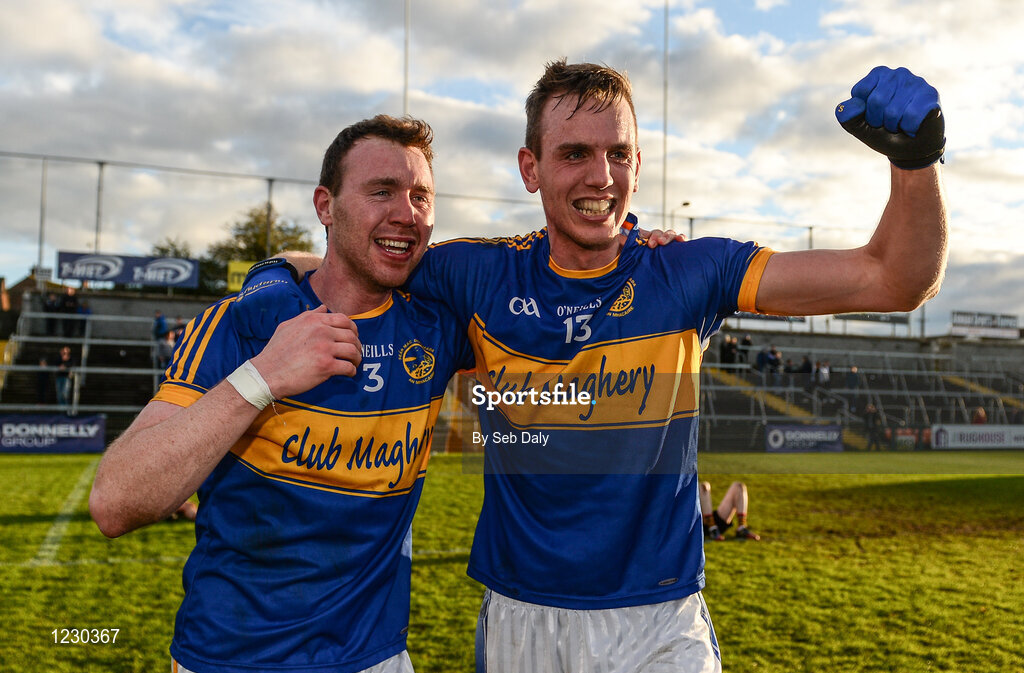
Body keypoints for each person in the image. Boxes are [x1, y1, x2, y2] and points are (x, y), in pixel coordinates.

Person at [243, 60, 947, 673]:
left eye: (618, 153)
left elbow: (892, 279)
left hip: (661, 618)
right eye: (574, 152)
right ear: (532, 168)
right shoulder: (475, 274)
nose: (600, 175)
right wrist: (274, 273)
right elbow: (360, 262)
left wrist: (915, 164)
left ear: (638, 164)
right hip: (524, 617)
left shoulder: (690, 271)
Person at [89, 115, 477, 673]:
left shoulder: (436, 325)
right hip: (230, 659)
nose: (406, 213)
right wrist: (262, 377)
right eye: (381, 191)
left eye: (421, 196)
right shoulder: (242, 323)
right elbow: (115, 502)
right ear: (326, 205)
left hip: (376, 658)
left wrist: (647, 247)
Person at [54, 345, 76, 409]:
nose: (65, 353)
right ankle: (61, 409)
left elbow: (72, 364)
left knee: (65, 394)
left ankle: (66, 408)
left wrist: (65, 366)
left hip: (66, 378)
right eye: (63, 352)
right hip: (59, 377)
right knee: (59, 394)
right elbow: (56, 364)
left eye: (66, 352)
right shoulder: (58, 358)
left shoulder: (71, 358)